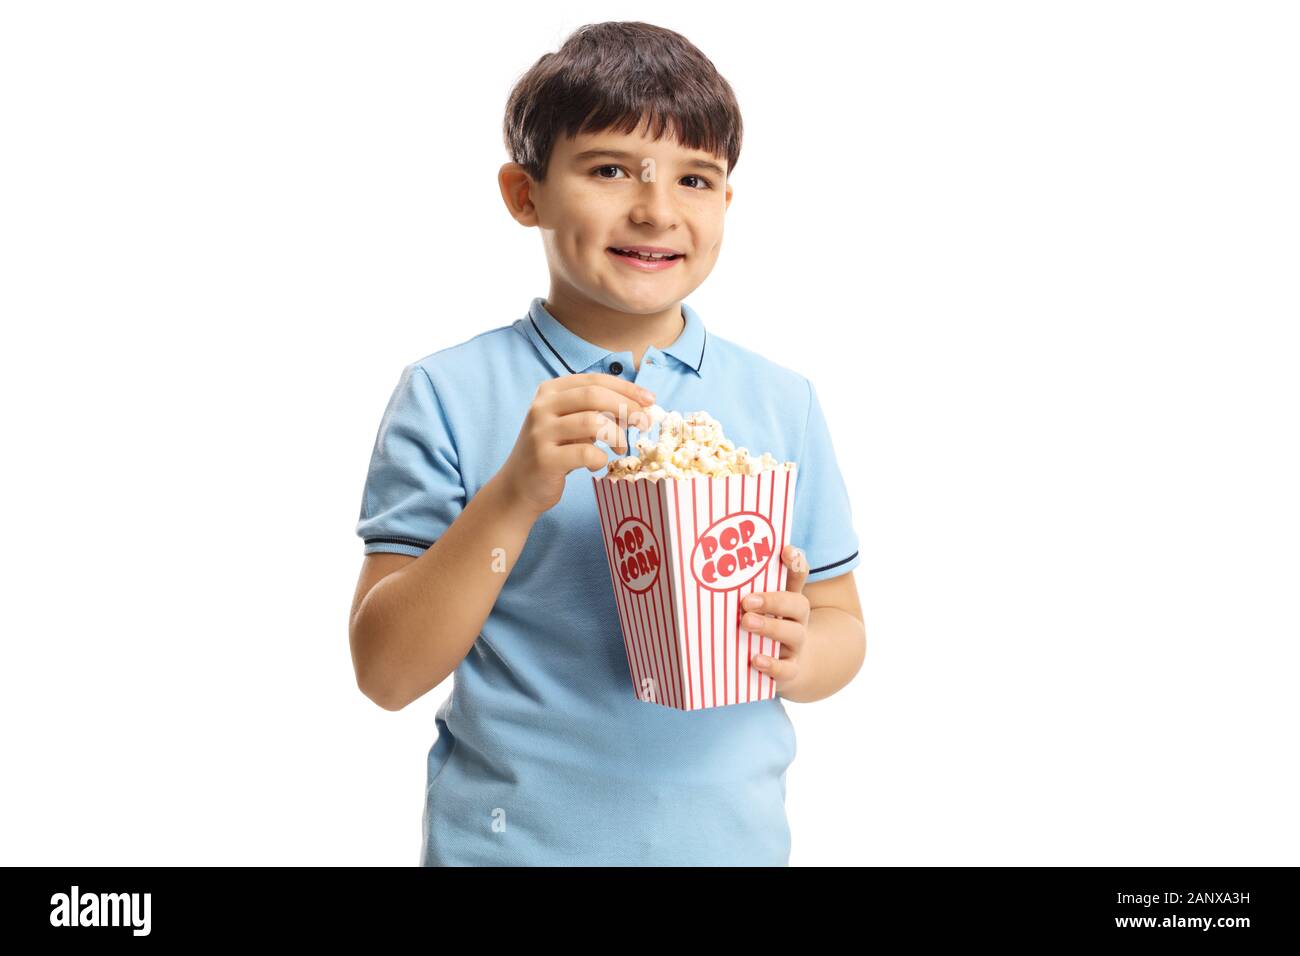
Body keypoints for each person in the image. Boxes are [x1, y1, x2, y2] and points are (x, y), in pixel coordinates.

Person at [350, 20, 865, 866]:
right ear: (526, 194)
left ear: (727, 204)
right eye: (609, 169)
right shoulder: (448, 394)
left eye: (695, 178)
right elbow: (387, 672)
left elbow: (843, 623)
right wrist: (515, 492)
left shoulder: (782, 402)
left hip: (729, 850)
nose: (657, 209)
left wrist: (802, 649)